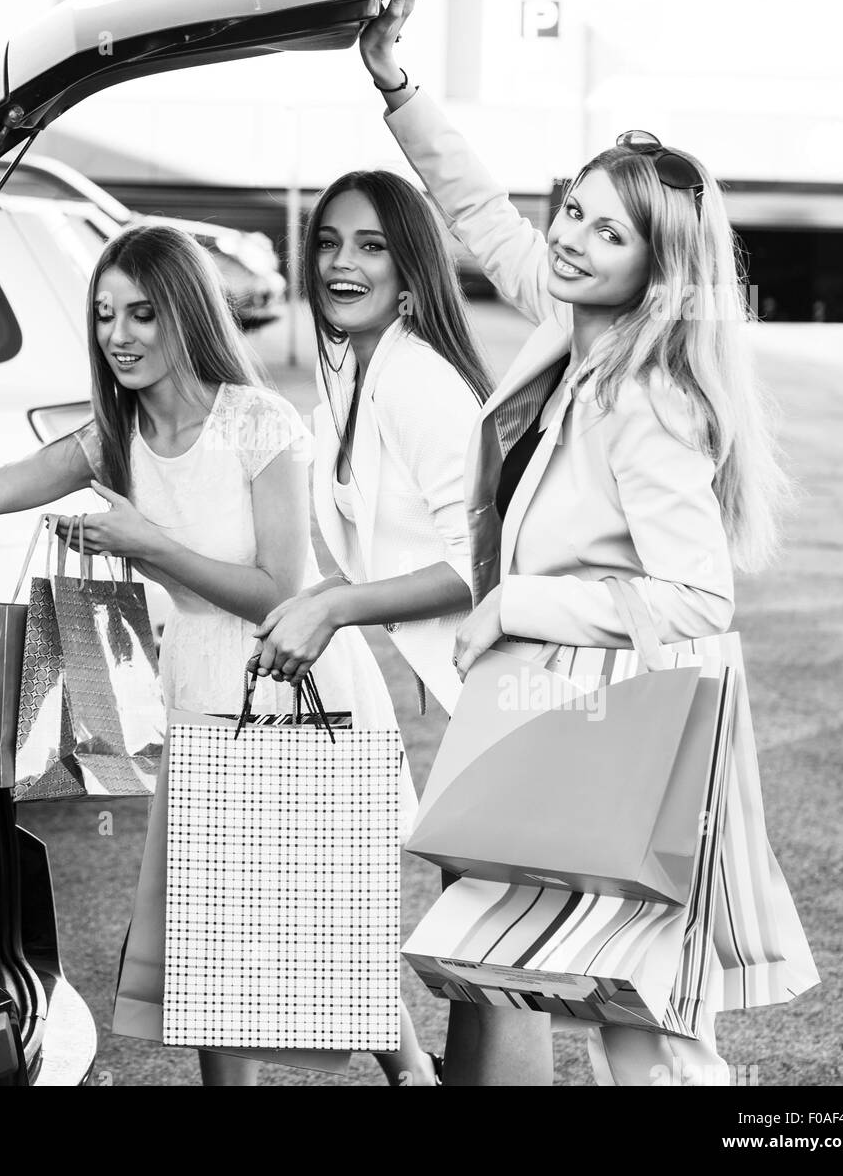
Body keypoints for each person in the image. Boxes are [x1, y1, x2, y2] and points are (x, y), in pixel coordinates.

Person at [340, 0, 814, 1086]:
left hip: (626, 719)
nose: (568, 239)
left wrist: (516, 602)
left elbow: (698, 595)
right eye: (572, 212)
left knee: (641, 1003)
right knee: (613, 991)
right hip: (572, 711)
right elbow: (476, 210)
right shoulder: (573, 336)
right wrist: (397, 86)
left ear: (656, 268)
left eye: (607, 234)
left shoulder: (648, 396)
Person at [0, 221, 427, 1087]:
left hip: (293, 685)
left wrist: (146, 542)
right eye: (105, 315)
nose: (119, 335)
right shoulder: (117, 433)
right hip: (200, 688)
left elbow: (279, 593)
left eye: (141, 313)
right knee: (219, 935)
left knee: (313, 918)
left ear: (186, 312)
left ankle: (412, 1074)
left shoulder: (256, 421)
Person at [250, 167, 554, 1083]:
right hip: (476, 692)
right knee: (489, 932)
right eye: (331, 241)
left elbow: (479, 565)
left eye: (372, 245)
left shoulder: (419, 382)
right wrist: (313, 600)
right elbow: (371, 546)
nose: (343, 261)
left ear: (412, 273)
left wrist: (337, 607)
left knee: (502, 941)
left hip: (516, 684)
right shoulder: (350, 376)